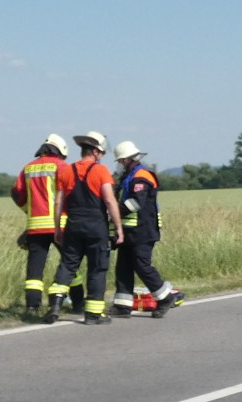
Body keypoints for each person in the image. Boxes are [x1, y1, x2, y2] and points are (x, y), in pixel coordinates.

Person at [45, 131, 123, 325]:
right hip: (96, 227)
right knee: (97, 268)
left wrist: (57, 229)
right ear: (96, 151)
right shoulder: (101, 171)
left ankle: (54, 306)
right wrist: (119, 228)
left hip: (73, 226)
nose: (102, 157)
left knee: (68, 265)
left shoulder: (65, 171)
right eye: (102, 153)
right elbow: (109, 201)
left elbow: (58, 203)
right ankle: (93, 314)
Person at [109, 141, 183, 318]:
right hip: (129, 232)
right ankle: (123, 306)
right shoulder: (128, 177)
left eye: (120, 161)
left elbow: (136, 202)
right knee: (123, 268)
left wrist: (113, 211)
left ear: (127, 160)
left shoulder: (142, 176)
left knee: (142, 266)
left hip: (143, 231)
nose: (119, 165)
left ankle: (165, 298)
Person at [12, 133, 71, 319]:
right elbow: (70, 194)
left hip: (35, 226)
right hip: (59, 225)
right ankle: (77, 301)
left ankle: (32, 307)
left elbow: (17, 194)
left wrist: (28, 211)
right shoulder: (62, 166)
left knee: (34, 270)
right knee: (70, 264)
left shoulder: (28, 168)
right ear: (60, 151)